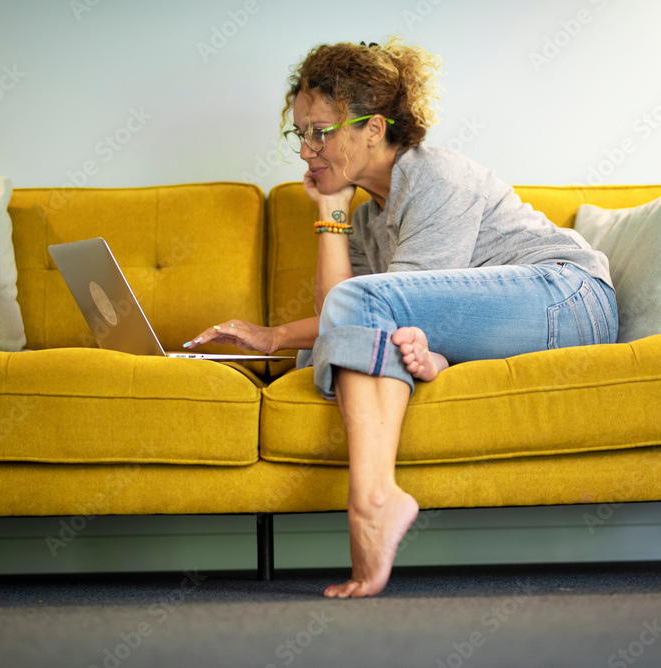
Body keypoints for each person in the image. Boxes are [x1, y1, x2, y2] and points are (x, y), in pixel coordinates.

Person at [185, 38, 618, 598]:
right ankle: (432, 360)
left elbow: (378, 301)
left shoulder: (434, 175)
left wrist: (288, 332)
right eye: (300, 133)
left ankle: (373, 500)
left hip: (567, 295)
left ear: (373, 127)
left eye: (320, 130)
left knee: (360, 317)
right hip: (504, 317)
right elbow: (348, 310)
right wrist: (332, 219)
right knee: (347, 329)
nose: (305, 150)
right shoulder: (369, 219)